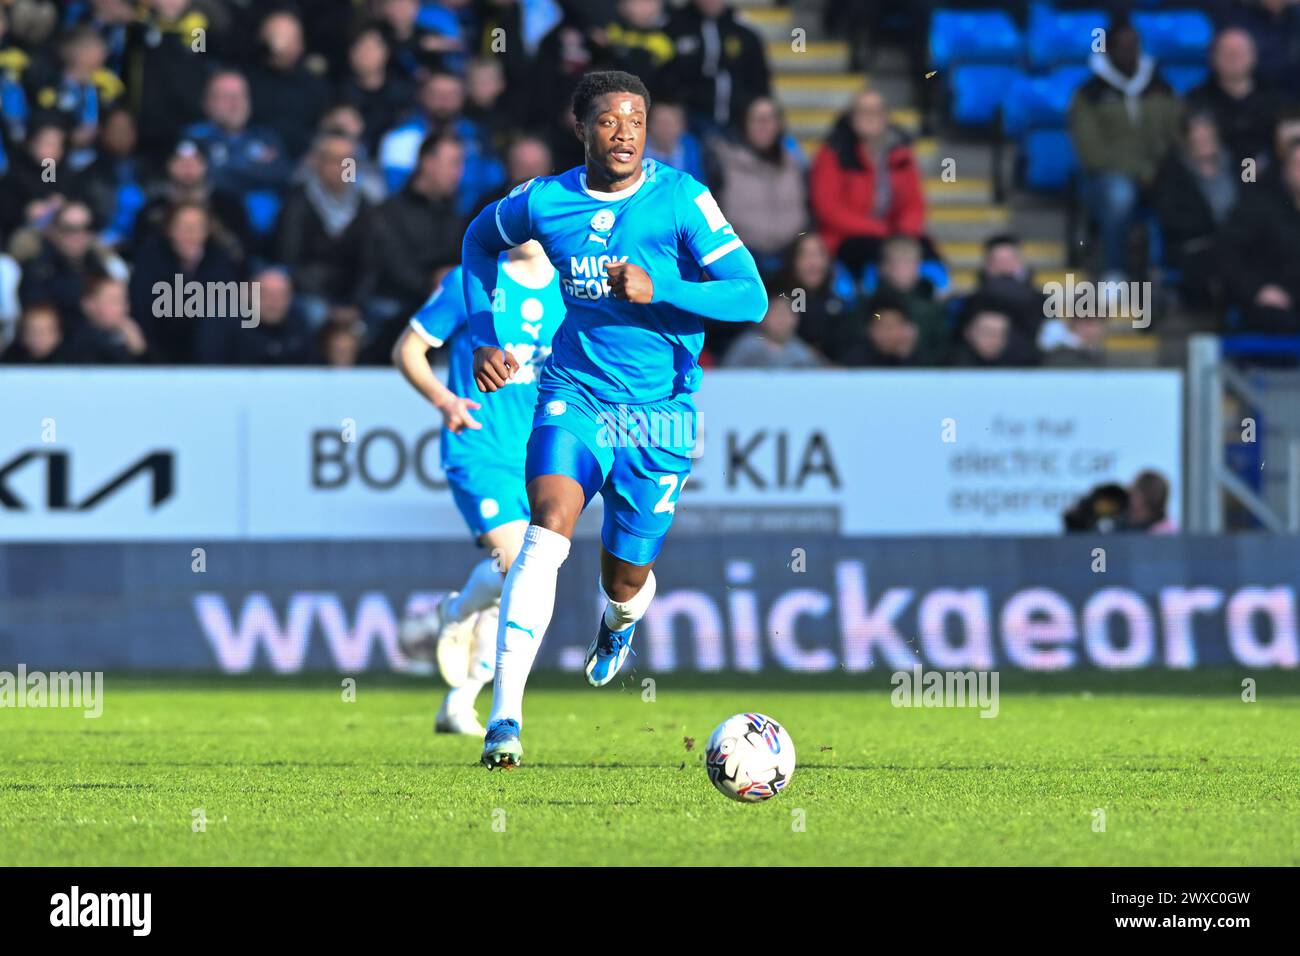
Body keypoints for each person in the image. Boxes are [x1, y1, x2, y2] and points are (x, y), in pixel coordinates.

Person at [462, 70, 766, 768]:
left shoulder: (682, 200)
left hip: (659, 414)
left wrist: (663, 289)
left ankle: (618, 624)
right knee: (546, 527)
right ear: (583, 128)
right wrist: (484, 332)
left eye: (635, 118)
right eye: (608, 119)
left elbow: (750, 297)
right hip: (578, 391)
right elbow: (478, 244)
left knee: (625, 581)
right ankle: (504, 718)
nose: (624, 131)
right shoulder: (545, 201)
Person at [392, 239, 563, 737]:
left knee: (524, 587)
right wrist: (445, 401)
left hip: (541, 452)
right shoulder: (474, 281)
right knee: (517, 566)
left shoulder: (572, 288)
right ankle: (454, 611)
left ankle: (459, 700)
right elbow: (408, 349)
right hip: (479, 450)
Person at [1069, 17, 1182, 282]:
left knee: (1184, 188)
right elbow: (1091, 153)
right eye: (1121, 46)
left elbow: (1177, 135)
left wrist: (1155, 170)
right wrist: (1139, 172)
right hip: (1108, 177)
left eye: (1134, 46)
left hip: (1159, 172)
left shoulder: (1161, 87)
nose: (1128, 52)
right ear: (1107, 50)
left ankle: (1168, 272)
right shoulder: (1088, 95)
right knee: (1119, 195)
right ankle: (1114, 270)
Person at [810, 88, 927, 277]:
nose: (869, 117)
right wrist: (879, 230)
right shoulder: (833, 153)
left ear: (886, 116)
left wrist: (905, 232)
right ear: (851, 116)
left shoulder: (901, 153)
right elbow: (828, 209)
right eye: (863, 111)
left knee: (927, 254)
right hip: (845, 238)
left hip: (892, 234)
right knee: (877, 257)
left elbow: (913, 202)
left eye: (875, 111)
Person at [721, 295, 822, 368]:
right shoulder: (746, 346)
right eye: (776, 313)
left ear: (796, 319)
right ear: (763, 318)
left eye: (786, 314)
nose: (781, 320)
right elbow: (726, 375)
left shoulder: (802, 352)